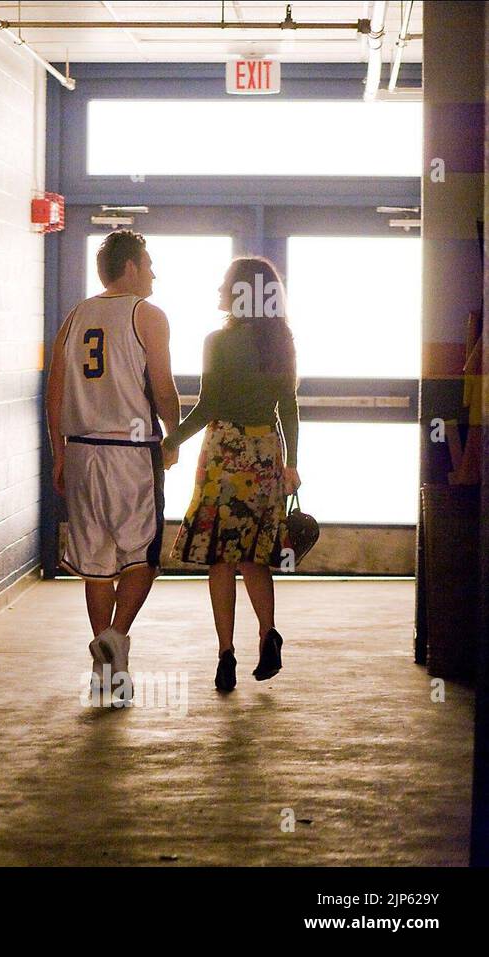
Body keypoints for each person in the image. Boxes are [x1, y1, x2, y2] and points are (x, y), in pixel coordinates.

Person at [46, 230, 181, 706]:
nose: (153, 273)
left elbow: (55, 391)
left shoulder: (74, 317)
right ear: (130, 268)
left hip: (82, 450)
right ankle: (116, 636)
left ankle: (109, 673)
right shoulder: (147, 315)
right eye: (148, 264)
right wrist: (175, 433)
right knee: (142, 557)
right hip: (130, 450)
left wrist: (60, 453)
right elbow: (163, 388)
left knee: (98, 566)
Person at [161, 255, 302, 692]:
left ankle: (226, 655)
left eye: (226, 282)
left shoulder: (217, 342)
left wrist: (171, 442)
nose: (221, 289)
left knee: (220, 558)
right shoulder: (282, 340)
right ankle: (269, 632)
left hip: (225, 453)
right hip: (264, 453)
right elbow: (289, 410)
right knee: (256, 555)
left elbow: (208, 406)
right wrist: (292, 463)